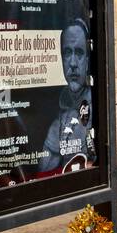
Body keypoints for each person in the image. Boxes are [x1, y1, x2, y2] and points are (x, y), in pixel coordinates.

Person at [37, 18, 96, 174]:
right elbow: (44, 174)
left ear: (88, 60)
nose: (73, 63)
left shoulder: (98, 103)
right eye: (67, 53)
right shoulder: (57, 120)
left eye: (79, 53)